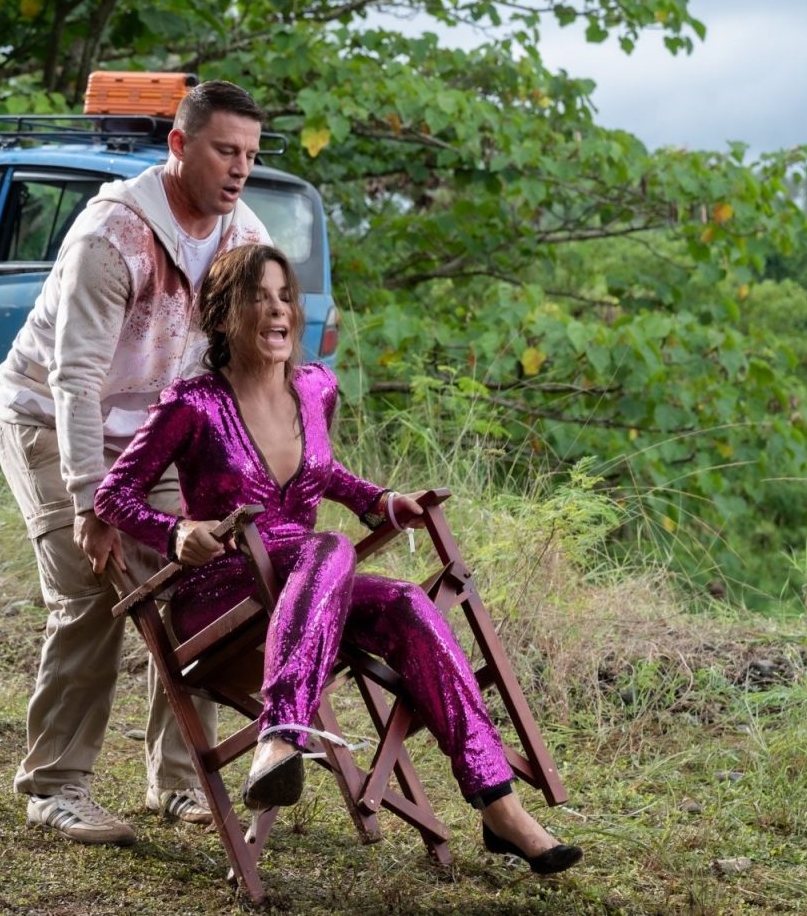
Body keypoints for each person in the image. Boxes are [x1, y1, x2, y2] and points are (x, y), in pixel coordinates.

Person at [94, 244, 582, 874]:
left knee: (406, 602)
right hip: (223, 601)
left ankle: (501, 809)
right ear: (221, 316)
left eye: (284, 297)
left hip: (308, 595)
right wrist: (175, 531)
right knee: (330, 546)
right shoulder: (191, 403)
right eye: (257, 297)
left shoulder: (316, 388)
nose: (277, 310)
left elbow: (322, 471)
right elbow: (114, 495)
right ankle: (283, 731)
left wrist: (378, 499)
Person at [0, 80, 273, 845]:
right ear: (179, 145)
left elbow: (238, 370)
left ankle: (178, 780)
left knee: (202, 577)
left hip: (152, 434)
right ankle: (55, 787)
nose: (240, 168)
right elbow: (74, 378)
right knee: (92, 590)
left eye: (250, 154)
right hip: (51, 420)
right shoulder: (112, 236)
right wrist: (93, 503)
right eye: (225, 150)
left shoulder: (244, 238)